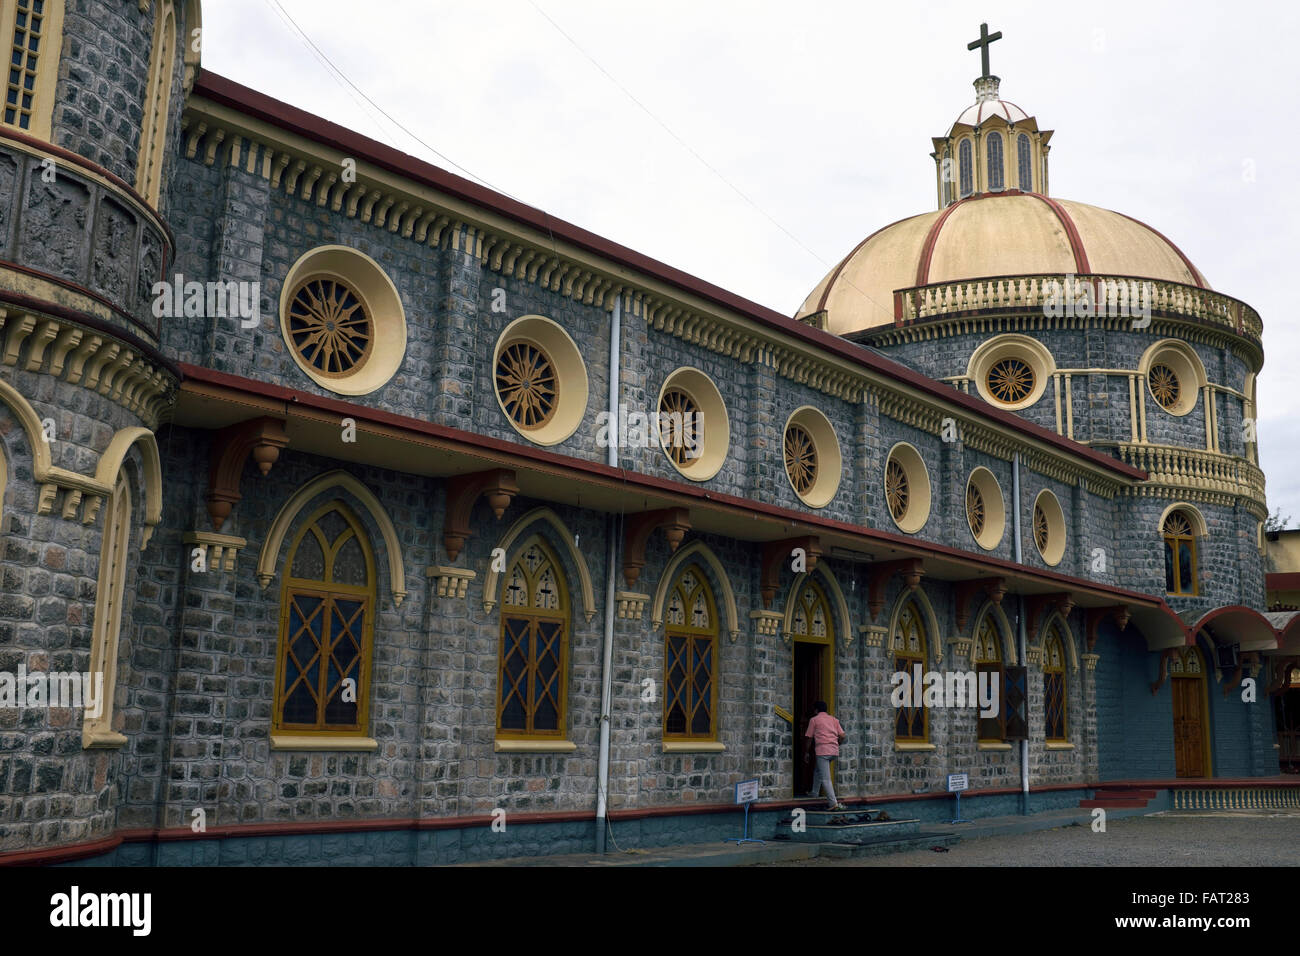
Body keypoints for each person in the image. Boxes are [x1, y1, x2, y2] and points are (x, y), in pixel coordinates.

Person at [803, 700, 847, 811]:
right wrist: (837, 743)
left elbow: (809, 737)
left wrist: (807, 752)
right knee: (818, 770)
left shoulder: (814, 720)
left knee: (826, 779)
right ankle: (814, 793)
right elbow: (842, 735)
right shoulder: (834, 720)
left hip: (822, 751)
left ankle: (833, 804)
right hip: (834, 751)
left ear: (816, 710)